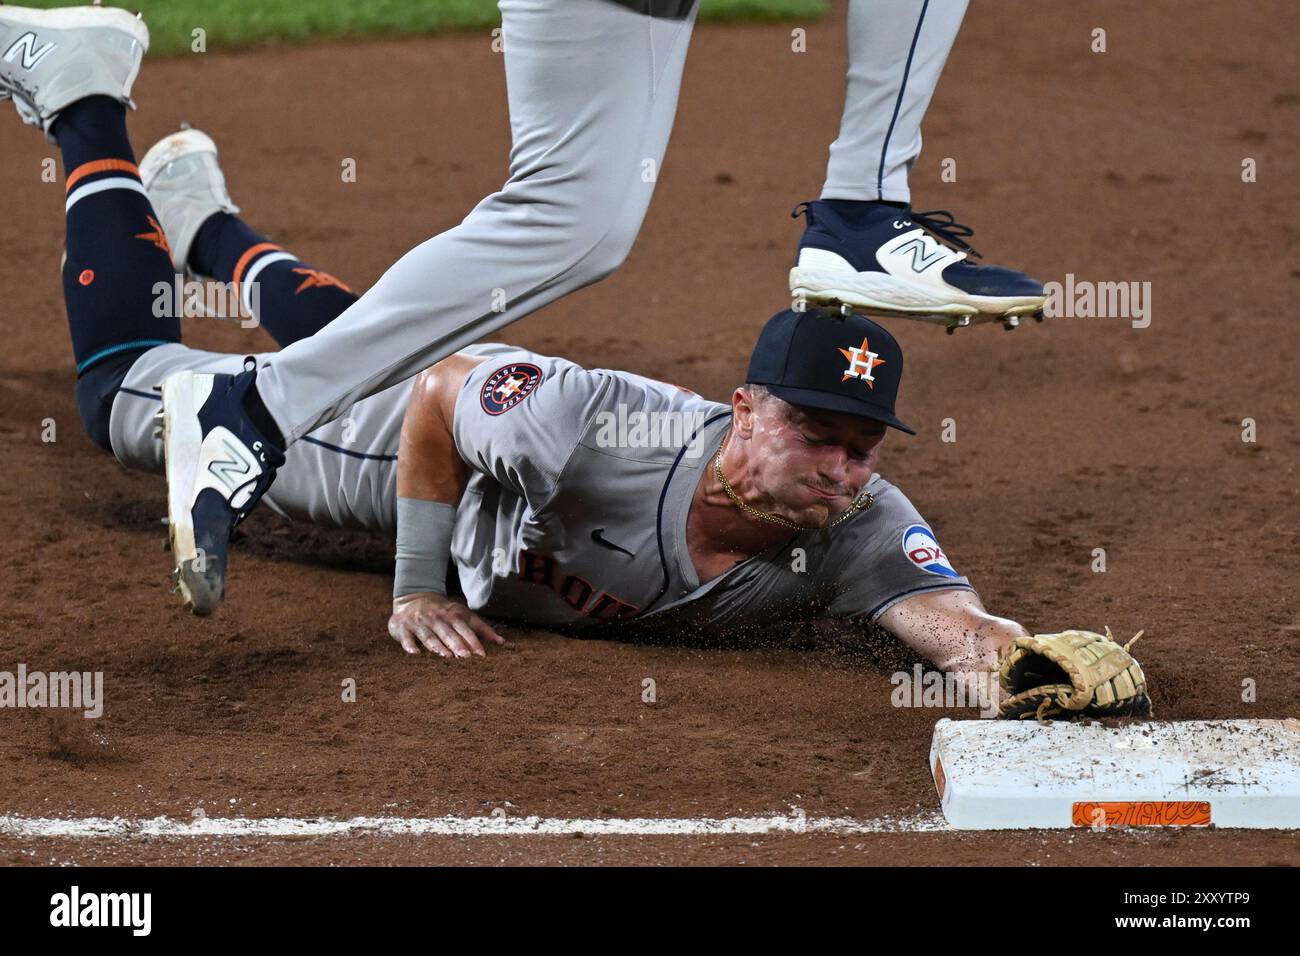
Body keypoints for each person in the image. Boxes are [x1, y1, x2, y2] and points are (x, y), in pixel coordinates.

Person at [0, 47, 1033, 689]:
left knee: (365, 327)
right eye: (816, 434)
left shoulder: (854, 520)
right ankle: (88, 101)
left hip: (494, 392)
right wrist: (414, 586)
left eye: (859, 447)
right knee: (121, 396)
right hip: (386, 441)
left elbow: (953, 625)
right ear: (744, 411)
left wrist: (1017, 663)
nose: (841, 468)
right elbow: (442, 400)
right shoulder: (598, 424)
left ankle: (206, 226)